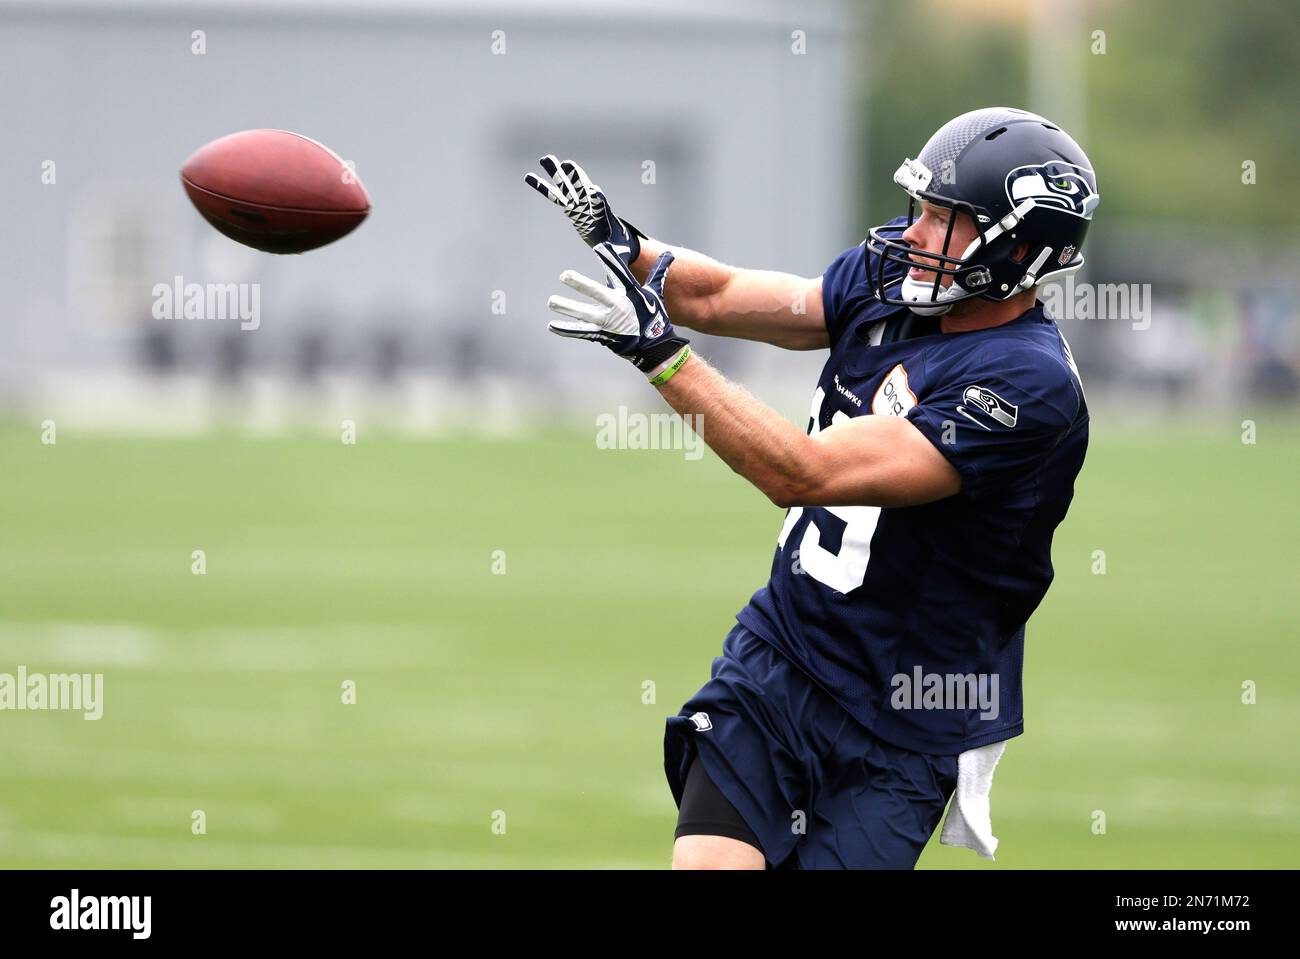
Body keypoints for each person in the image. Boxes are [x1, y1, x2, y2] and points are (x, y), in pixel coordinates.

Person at [524, 106, 1100, 869]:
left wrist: (661, 355)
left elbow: (801, 471)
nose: (916, 234)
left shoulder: (1025, 384)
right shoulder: (892, 275)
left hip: (903, 721)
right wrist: (626, 245)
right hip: (780, 659)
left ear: (1020, 248)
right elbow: (721, 294)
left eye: (944, 220)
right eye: (921, 209)